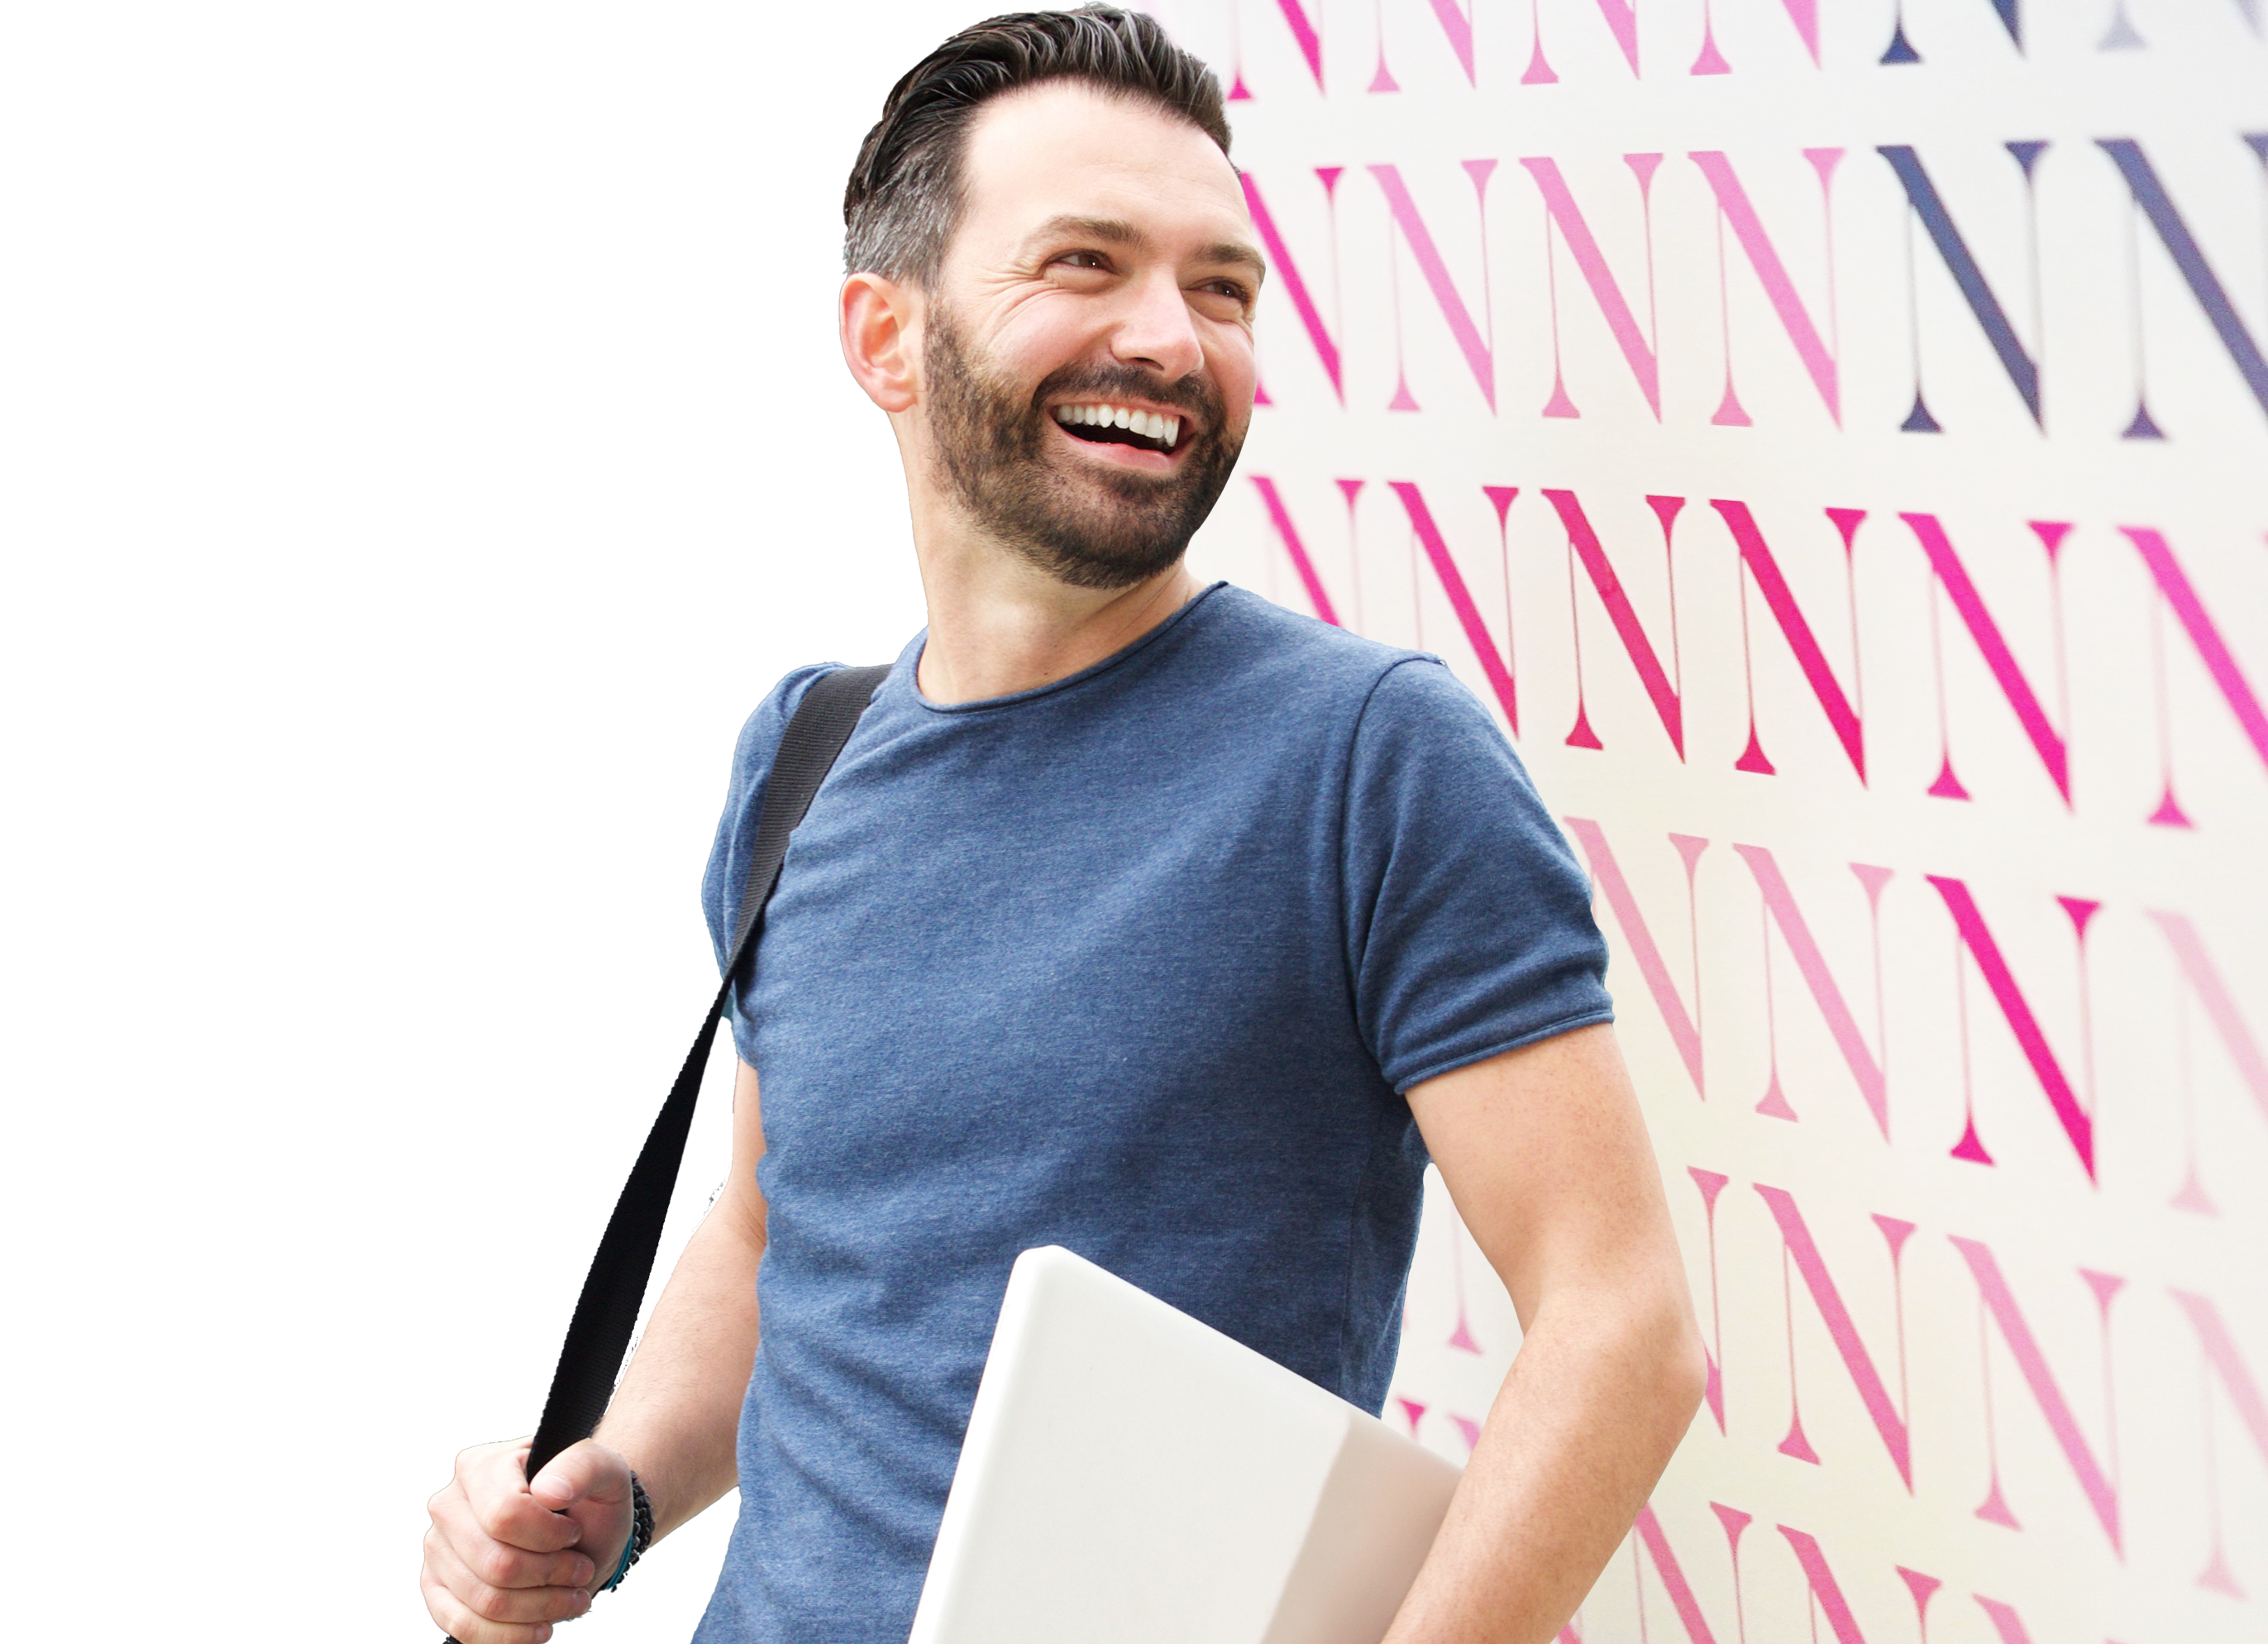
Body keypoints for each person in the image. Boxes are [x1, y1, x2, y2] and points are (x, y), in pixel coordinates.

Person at [418, 8, 1706, 1642]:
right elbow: (773, 1221)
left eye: (1219, 289)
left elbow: (1618, 1320)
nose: (1170, 338)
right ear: (886, 336)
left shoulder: (1371, 759)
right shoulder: (801, 754)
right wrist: (616, 1488)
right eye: (1085, 264)